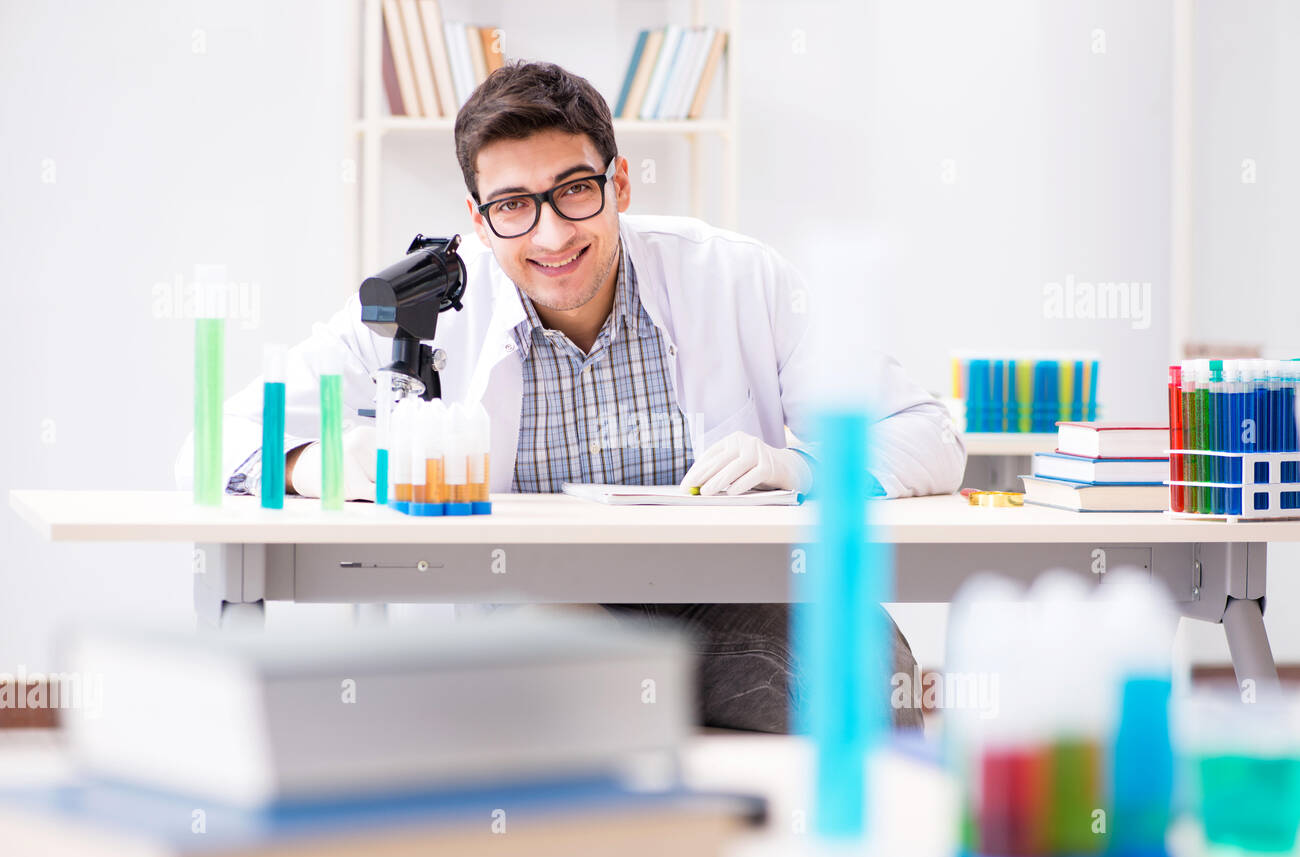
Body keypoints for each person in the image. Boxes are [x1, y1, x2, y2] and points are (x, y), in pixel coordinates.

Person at [176, 61, 966, 733]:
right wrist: (325, 464)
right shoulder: (424, 304)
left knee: (870, 672)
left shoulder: (734, 278)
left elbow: (926, 430)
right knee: (590, 701)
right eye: (514, 205)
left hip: (721, 599)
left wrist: (801, 468)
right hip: (523, 600)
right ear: (478, 221)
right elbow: (215, 442)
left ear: (619, 182)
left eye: (575, 190)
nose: (551, 235)